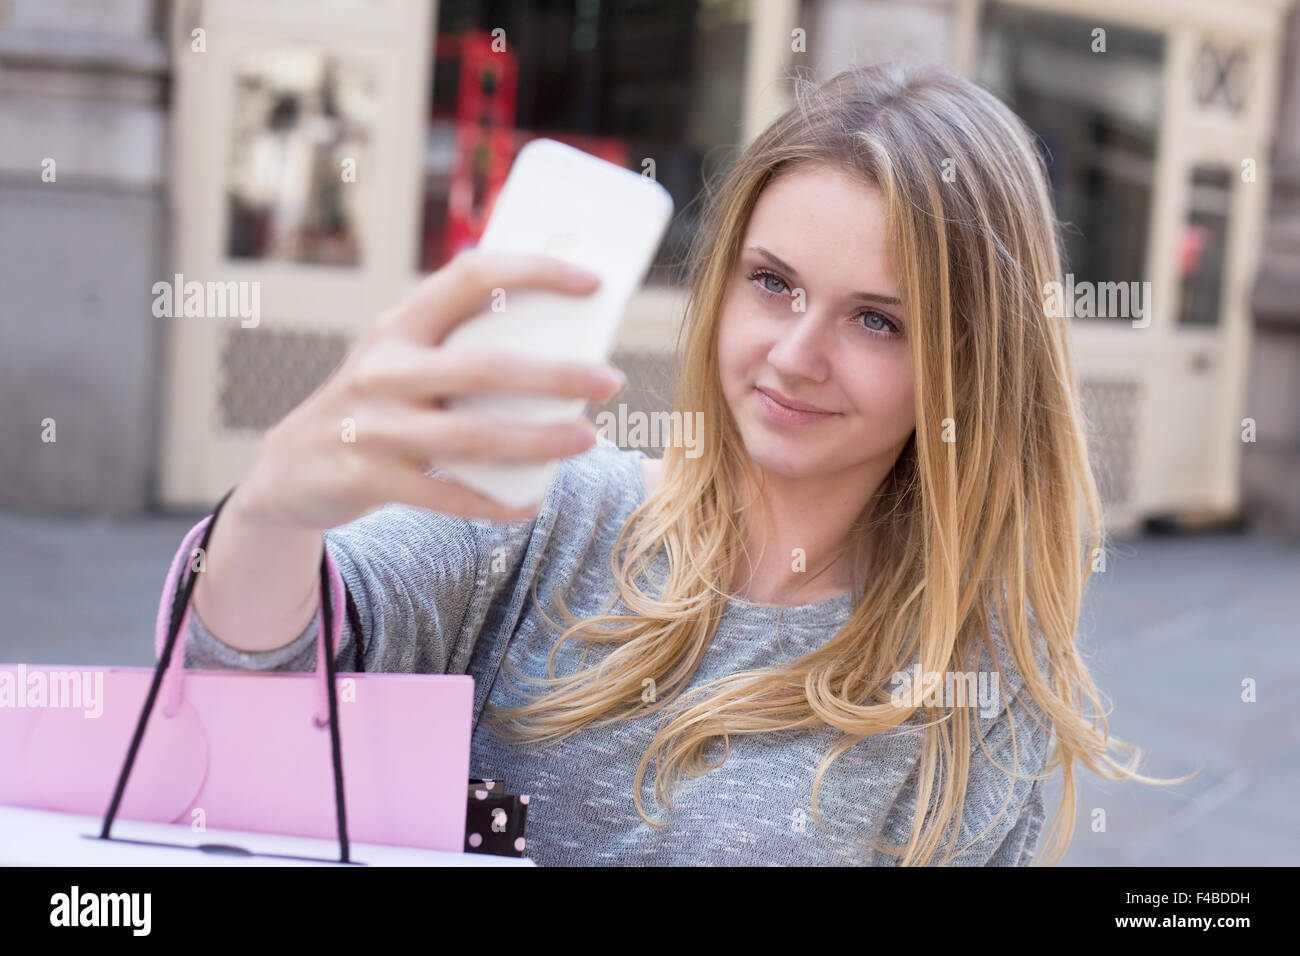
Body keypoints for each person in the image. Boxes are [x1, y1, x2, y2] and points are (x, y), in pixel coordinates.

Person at [174, 61, 1163, 866]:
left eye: (875, 318)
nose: (794, 353)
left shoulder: (977, 687)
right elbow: (237, 691)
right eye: (772, 283)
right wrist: (273, 511)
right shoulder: (546, 508)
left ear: (969, 362)